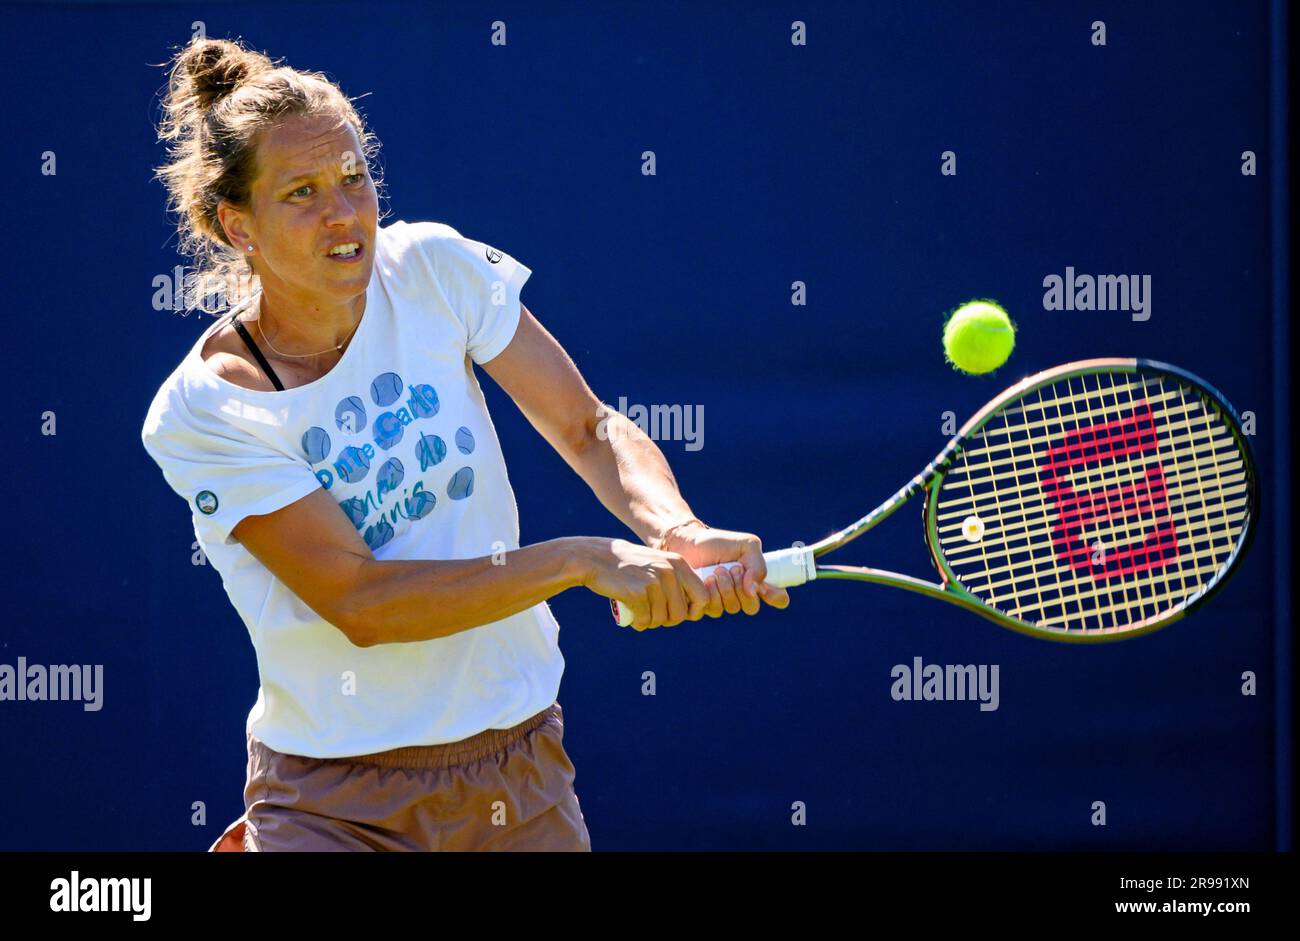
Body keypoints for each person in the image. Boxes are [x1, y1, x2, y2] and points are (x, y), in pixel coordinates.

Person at [141, 36, 789, 852]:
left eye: (353, 178)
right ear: (237, 225)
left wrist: (676, 529)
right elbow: (362, 601)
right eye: (302, 193)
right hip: (329, 804)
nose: (343, 213)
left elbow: (588, 428)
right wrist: (584, 559)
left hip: (518, 768)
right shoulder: (204, 411)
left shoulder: (433, 270)